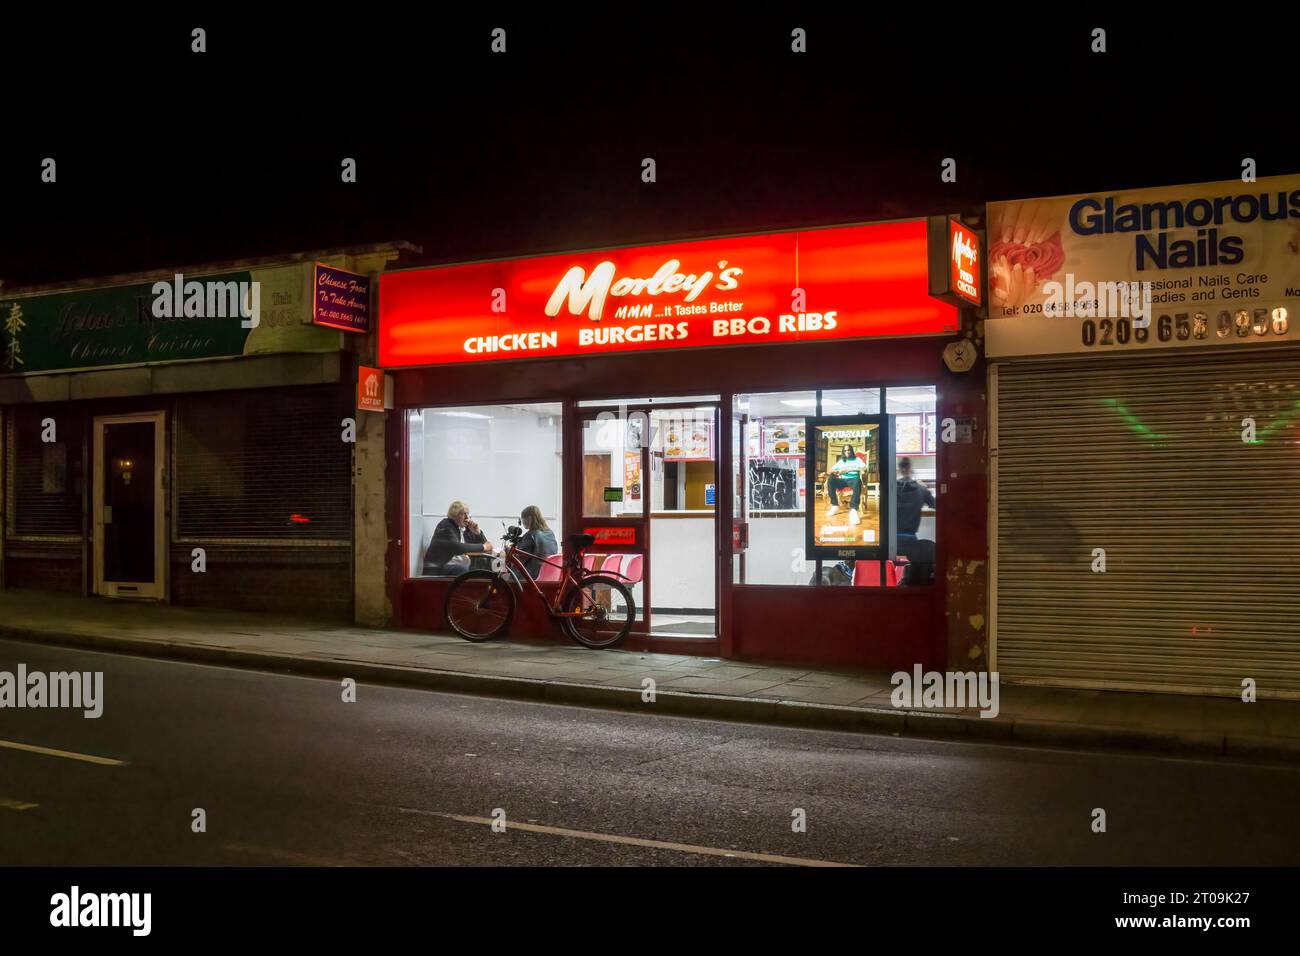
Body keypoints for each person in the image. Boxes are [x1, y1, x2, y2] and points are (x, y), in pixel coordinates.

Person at [423, 500, 493, 575]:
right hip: (438, 568)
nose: (467, 517)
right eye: (463, 514)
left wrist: (478, 533)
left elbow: (486, 547)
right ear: (454, 515)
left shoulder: (465, 529)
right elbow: (457, 547)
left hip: (457, 567)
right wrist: (484, 546)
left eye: (468, 514)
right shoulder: (445, 526)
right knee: (462, 570)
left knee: (484, 570)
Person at [895, 458, 936, 585]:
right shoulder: (921, 489)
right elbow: (935, 504)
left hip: (891, 542)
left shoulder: (890, 488)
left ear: (899, 470)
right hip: (910, 541)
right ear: (910, 470)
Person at [517, 505, 558, 579]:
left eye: (523, 518)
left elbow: (520, 559)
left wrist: (510, 551)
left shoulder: (531, 535)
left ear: (529, 518)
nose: (522, 522)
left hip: (533, 576)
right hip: (549, 575)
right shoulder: (550, 533)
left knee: (507, 576)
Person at [826, 444, 863, 525]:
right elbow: (830, 470)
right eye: (845, 450)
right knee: (831, 479)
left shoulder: (857, 459)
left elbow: (864, 468)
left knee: (858, 481)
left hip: (854, 479)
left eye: (848, 450)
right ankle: (835, 506)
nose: (847, 452)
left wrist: (848, 469)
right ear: (843, 452)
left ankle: (853, 510)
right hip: (843, 480)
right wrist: (835, 471)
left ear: (851, 450)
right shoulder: (841, 461)